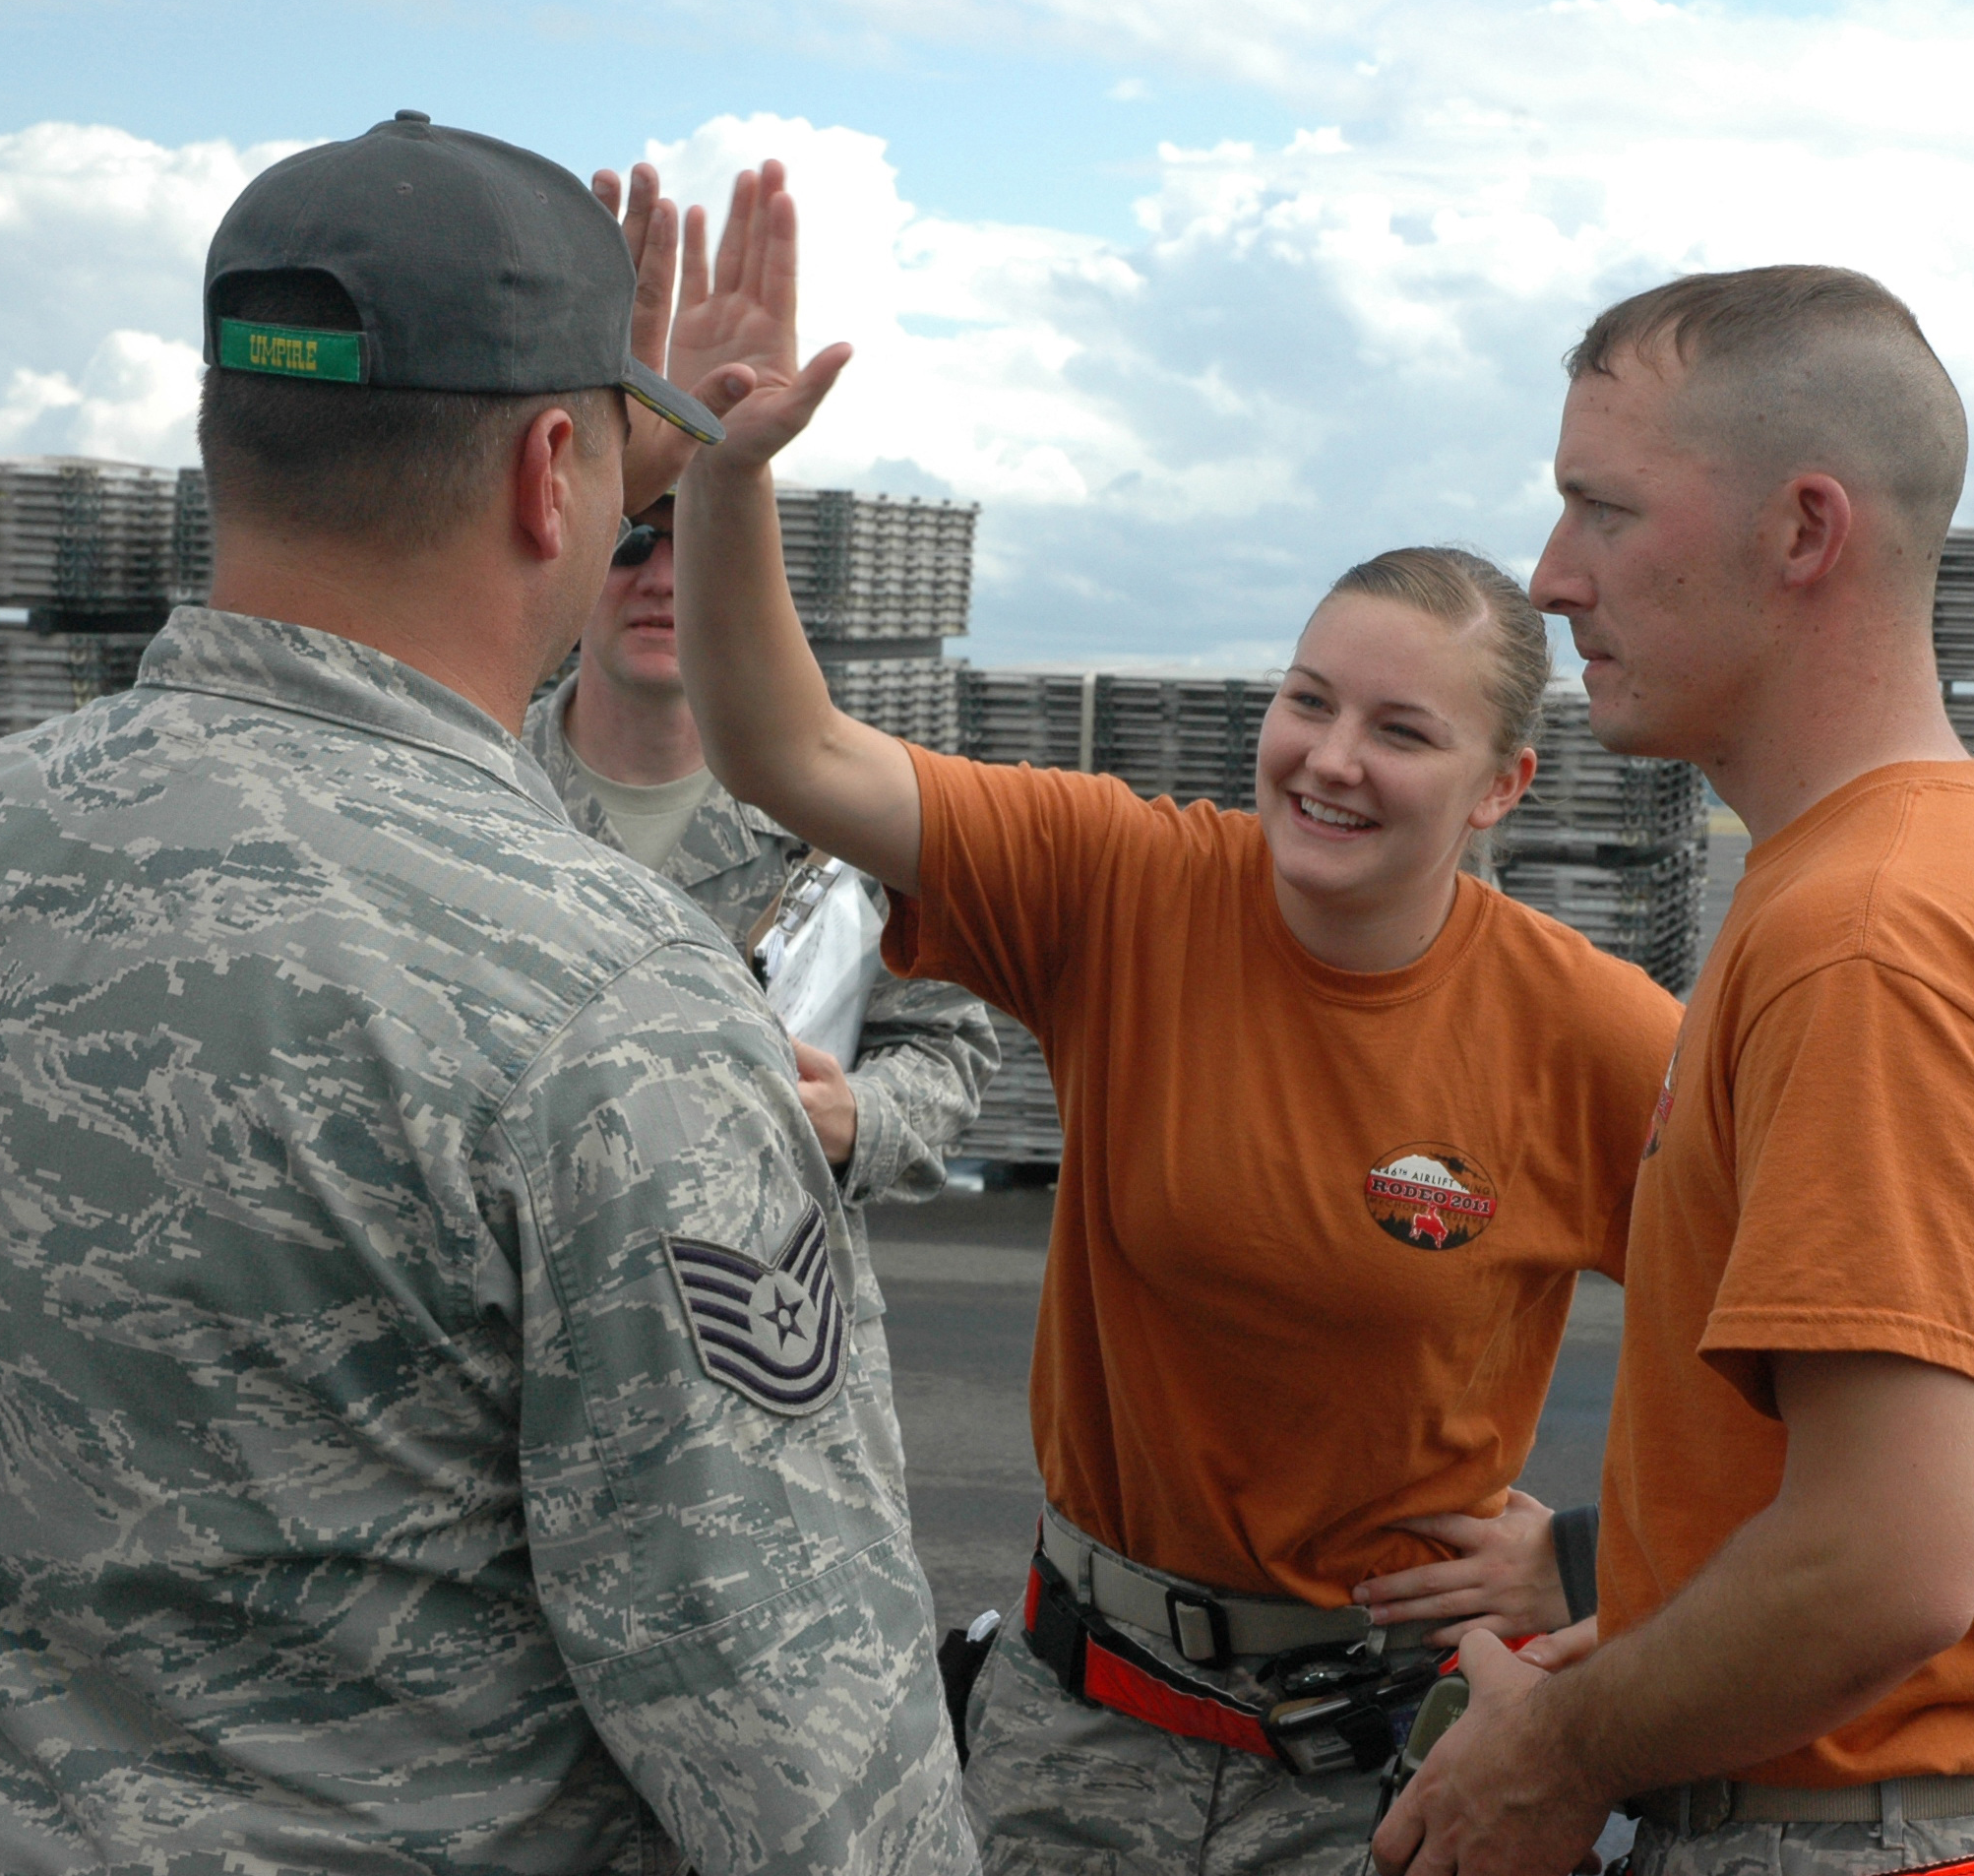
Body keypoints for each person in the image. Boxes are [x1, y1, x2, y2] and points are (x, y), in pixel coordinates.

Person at [0, 114, 965, 1874]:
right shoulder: (607, 1003)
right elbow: (806, 1754)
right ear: (553, 474)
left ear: (227, 442)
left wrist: (595, 467)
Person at [652, 179, 1682, 1876]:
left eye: (1401, 731)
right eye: (1306, 699)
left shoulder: (1590, 1033)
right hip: (1081, 1730)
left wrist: (1595, 1553)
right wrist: (725, 471)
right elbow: (791, 755)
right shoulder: (1128, 890)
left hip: (1394, 1765)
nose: (1330, 758)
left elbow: (1795, 1363)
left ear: (1501, 786)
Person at [1373, 267, 1974, 1876]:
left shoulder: (1867, 936)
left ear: (1803, 533)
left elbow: (1882, 1565)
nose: (1546, 578)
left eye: (1602, 512)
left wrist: (1553, 1757)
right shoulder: (1961, 872)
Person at [524, 483, 1001, 1208]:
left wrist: (857, 1118)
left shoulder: (853, 812)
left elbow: (949, 1049)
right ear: (570, 550)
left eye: (701, 544)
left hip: (773, 1299)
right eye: (630, 541)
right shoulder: (472, 782)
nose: (661, 578)